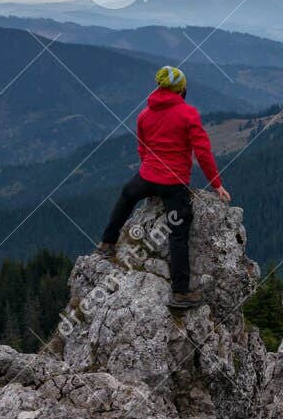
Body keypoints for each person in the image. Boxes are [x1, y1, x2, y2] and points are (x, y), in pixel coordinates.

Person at [97, 65, 231, 308]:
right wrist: (217, 184)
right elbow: (202, 152)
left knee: (127, 195)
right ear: (181, 89)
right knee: (178, 232)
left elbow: (142, 147)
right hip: (174, 183)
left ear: (158, 87)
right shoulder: (188, 114)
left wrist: (149, 170)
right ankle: (180, 293)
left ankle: (107, 243)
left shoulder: (144, 115)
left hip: (147, 177)